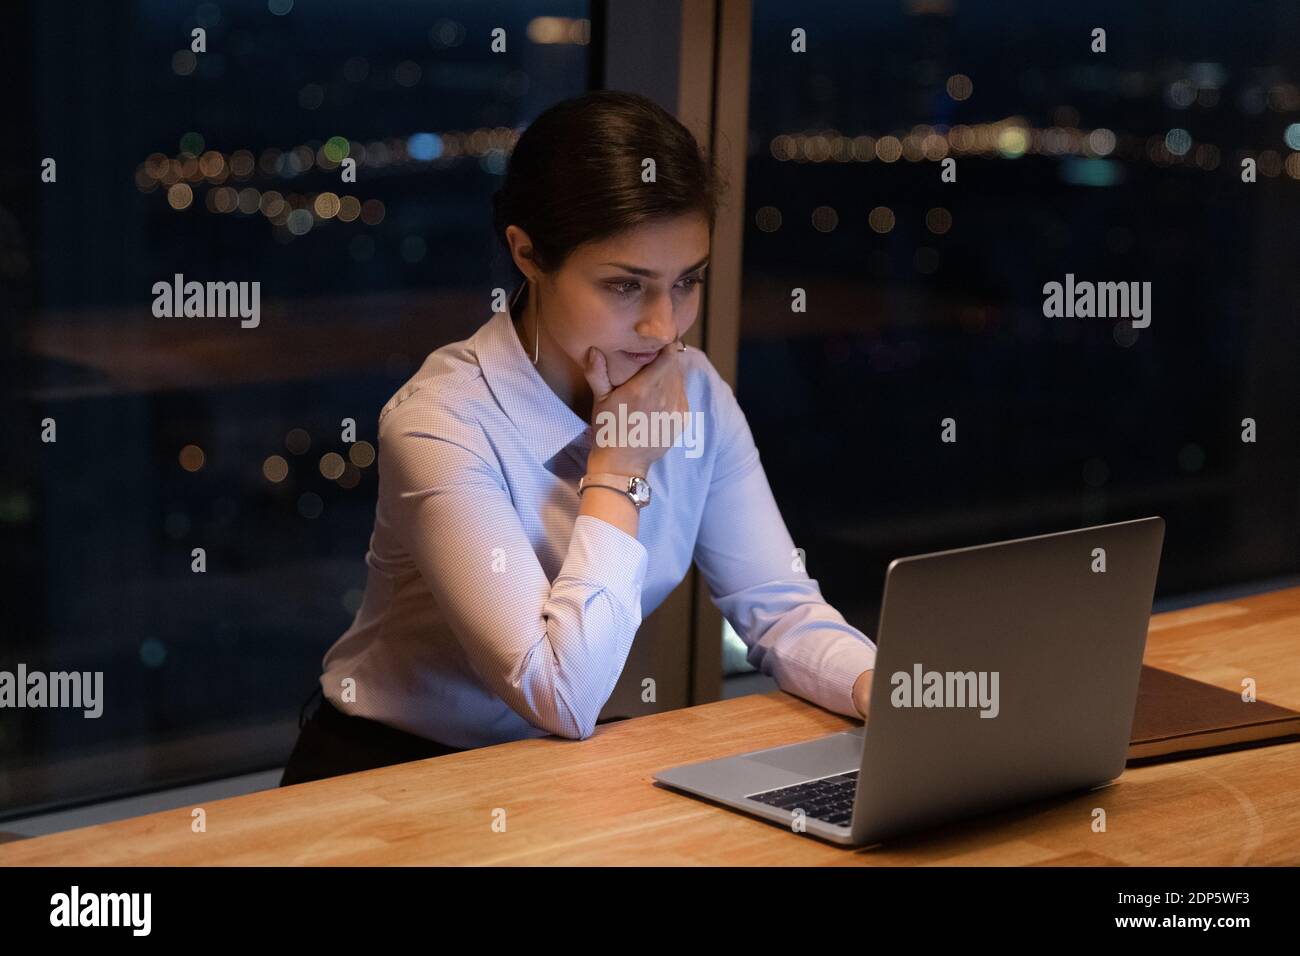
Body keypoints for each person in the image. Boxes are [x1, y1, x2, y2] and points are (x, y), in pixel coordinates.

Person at [279, 90, 876, 788]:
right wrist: (618, 466)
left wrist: (887, 692)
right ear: (528, 254)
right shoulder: (441, 422)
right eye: (626, 286)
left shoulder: (696, 391)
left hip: (555, 775)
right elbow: (558, 692)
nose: (665, 327)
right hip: (387, 779)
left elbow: (781, 611)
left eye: (687, 283)